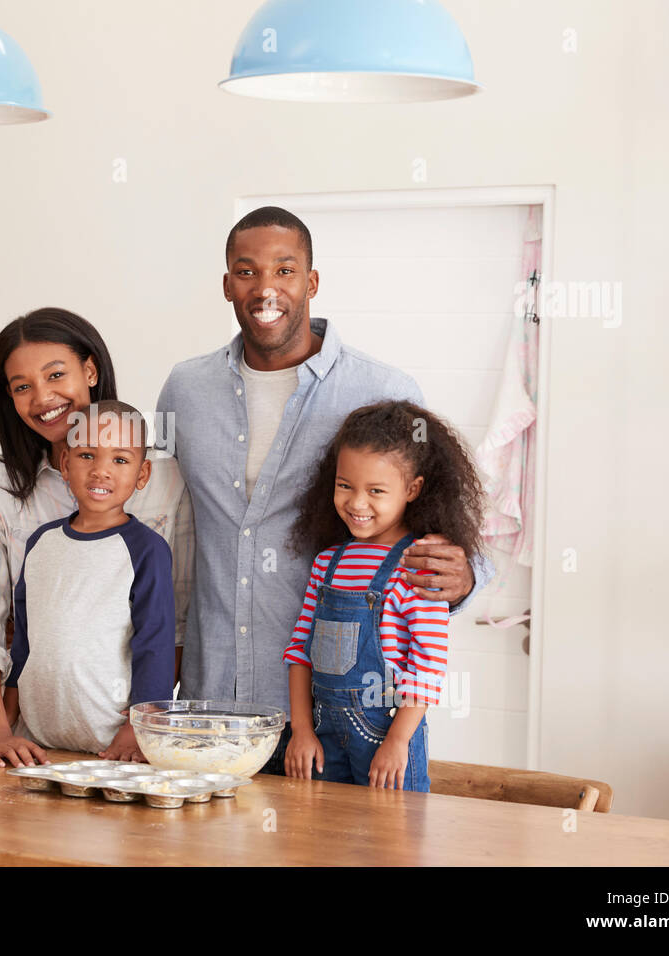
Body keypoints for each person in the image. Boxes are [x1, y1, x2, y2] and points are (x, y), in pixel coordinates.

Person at [155, 206, 494, 775]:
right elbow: (155, 518)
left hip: (337, 720)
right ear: (226, 284)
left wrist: (465, 578)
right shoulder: (185, 390)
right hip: (212, 705)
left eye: (285, 270)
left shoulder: (383, 390)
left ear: (311, 282)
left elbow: (447, 522)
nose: (266, 287)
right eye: (247, 271)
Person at [0, 308, 192, 754]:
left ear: (91, 370)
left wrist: (143, 718)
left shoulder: (165, 480)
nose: (42, 397)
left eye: (55, 374)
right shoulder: (1, 489)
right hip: (28, 735)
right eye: (22, 387)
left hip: (116, 734)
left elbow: (170, 628)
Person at [282, 401, 487, 790]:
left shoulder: (419, 565)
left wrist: (397, 742)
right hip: (322, 737)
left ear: (413, 489)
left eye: (376, 490)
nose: (357, 503)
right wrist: (302, 731)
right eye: (345, 486)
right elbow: (298, 651)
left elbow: (426, 667)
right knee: (322, 842)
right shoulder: (326, 562)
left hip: (387, 736)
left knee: (393, 845)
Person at [0, 401, 176, 766]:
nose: (101, 471)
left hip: (112, 750)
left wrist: (139, 727)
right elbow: (23, 644)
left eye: (120, 460)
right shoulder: (40, 543)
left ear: (142, 475)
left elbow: (155, 647)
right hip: (38, 748)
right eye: (86, 455)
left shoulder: (147, 550)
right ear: (65, 464)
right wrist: (2, 721)